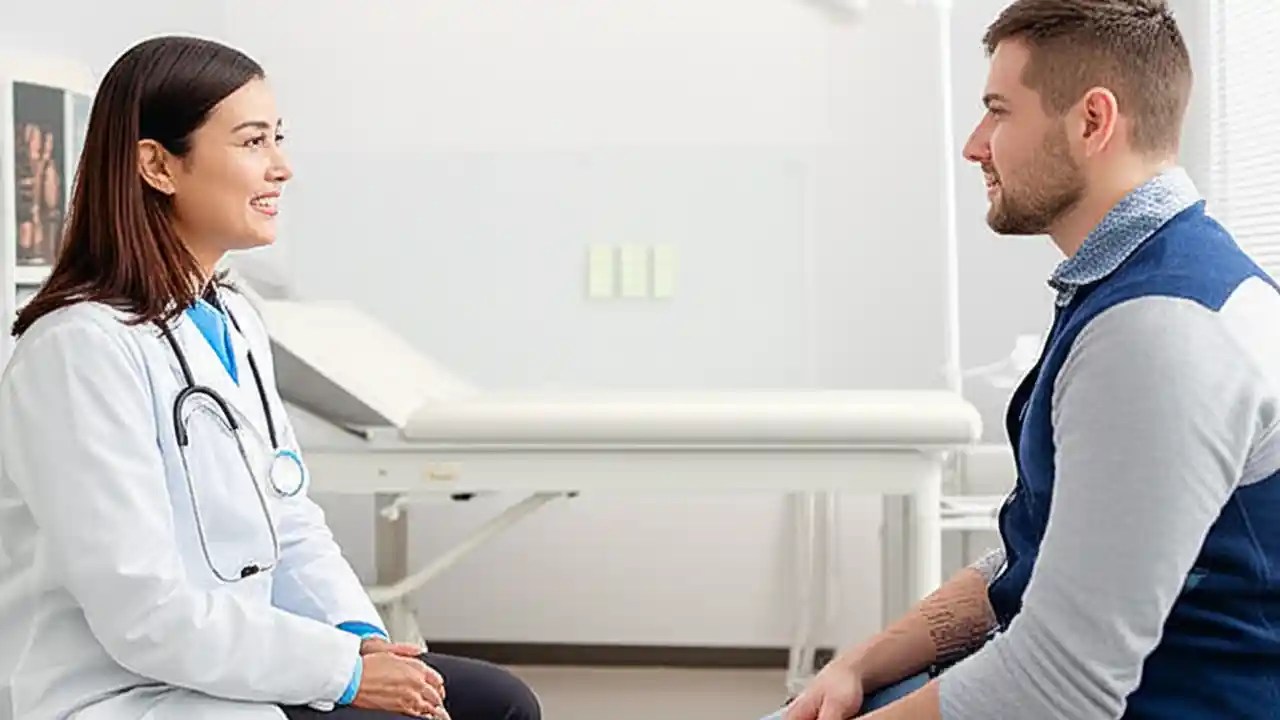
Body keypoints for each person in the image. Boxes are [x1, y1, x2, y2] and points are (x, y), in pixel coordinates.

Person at [0, 36, 541, 720]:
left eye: (277, 139)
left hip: (236, 664)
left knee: (496, 700)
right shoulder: (79, 350)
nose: (281, 168)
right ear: (157, 165)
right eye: (253, 142)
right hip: (123, 690)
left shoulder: (233, 319)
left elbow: (287, 518)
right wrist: (339, 675)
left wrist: (360, 642)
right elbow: (141, 611)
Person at [764, 1, 1280, 718]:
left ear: (1092, 121)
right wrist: (857, 663)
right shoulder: (1139, 286)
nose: (975, 144)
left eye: (999, 111)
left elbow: (1057, 687)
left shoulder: (1160, 334)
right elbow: (1031, 557)